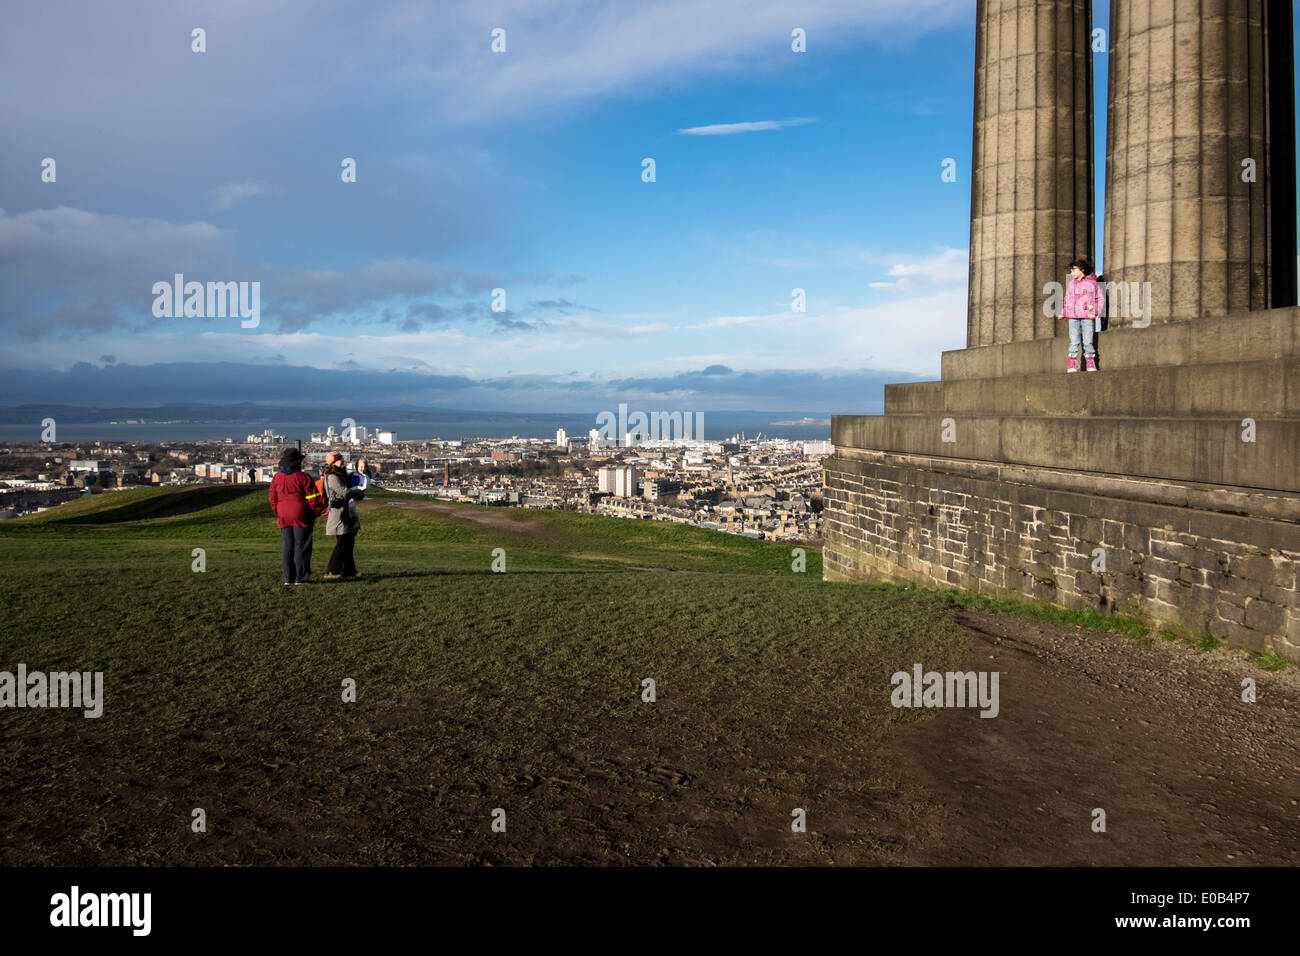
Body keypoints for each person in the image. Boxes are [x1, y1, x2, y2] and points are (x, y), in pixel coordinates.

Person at [268, 447, 316, 585]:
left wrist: (278, 510)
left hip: (283, 513)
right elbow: (313, 498)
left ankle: (288, 577)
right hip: (300, 513)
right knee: (301, 545)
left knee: (287, 545)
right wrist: (315, 512)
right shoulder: (303, 477)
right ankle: (300, 577)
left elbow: (272, 497)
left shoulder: (277, 477)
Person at [323, 451, 365, 580]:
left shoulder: (340, 475)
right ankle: (332, 570)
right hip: (338, 513)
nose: (343, 461)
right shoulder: (332, 477)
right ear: (333, 462)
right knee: (343, 542)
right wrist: (357, 492)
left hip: (346, 511)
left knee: (348, 541)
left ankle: (349, 569)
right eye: (340, 459)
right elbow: (343, 492)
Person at [1061, 258, 1100, 372]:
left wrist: (1094, 312)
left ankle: (1090, 362)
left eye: (1074, 270)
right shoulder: (1071, 284)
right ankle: (1072, 363)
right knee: (1074, 340)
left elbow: (1098, 299)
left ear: (1082, 270)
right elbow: (1067, 300)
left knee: (1087, 340)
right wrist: (1064, 312)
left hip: (1087, 316)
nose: (1071, 273)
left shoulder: (1092, 283)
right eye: (1071, 271)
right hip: (1073, 317)